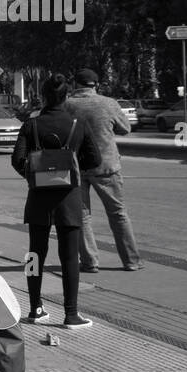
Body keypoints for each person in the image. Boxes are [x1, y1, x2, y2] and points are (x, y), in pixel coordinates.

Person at [11, 74, 101, 330]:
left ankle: (35, 308)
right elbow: (94, 159)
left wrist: (36, 176)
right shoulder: (78, 123)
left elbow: (17, 160)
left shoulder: (31, 125)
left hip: (38, 198)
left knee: (35, 255)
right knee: (70, 257)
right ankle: (71, 315)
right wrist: (69, 169)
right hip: (69, 198)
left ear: (43, 96)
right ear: (66, 96)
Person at [64, 69, 140, 272]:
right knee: (118, 214)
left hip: (76, 167)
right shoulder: (108, 103)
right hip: (106, 166)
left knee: (81, 216)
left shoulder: (67, 105)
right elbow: (125, 129)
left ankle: (89, 262)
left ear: (75, 84)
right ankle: (131, 261)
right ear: (96, 85)